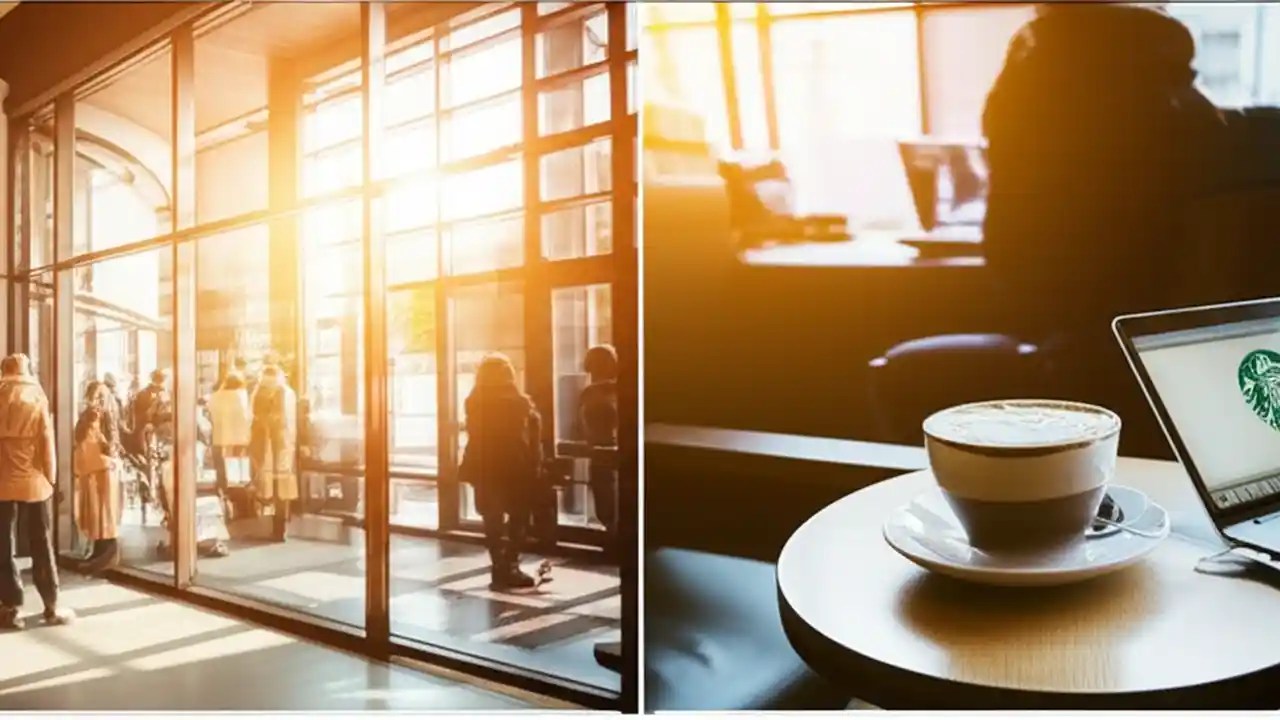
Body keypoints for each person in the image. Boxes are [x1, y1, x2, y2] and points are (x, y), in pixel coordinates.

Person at [981, 2, 1230, 457]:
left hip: (1096, 387)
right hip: (1214, 384)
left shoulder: (1042, 121)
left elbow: (1013, 269)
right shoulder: (1203, 123)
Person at [0, 353, 73, 629]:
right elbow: (46, 439)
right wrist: (51, 478)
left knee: (2, 543)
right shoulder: (37, 396)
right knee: (41, 540)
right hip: (33, 479)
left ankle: (10, 606)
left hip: (2, 478)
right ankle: (50, 604)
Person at [460, 353, 544, 590]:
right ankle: (512, 564)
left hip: (483, 467)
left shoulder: (474, 403)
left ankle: (498, 566)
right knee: (519, 516)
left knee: (492, 519)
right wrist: (536, 466)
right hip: (516, 466)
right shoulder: (521, 403)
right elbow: (532, 438)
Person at [72, 398, 121, 575]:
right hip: (98, 478)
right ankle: (102, 554)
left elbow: (87, 456)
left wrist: (110, 461)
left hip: (99, 478)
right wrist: (112, 462)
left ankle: (102, 554)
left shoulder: (90, 428)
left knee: (102, 518)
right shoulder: (91, 429)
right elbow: (90, 455)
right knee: (101, 518)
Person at [249, 365, 297, 542]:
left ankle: (274, 526)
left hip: (266, 446)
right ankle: (280, 527)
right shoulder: (286, 392)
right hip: (283, 445)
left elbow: (256, 418)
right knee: (282, 487)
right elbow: (288, 420)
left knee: (270, 487)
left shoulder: (261, 392)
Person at [579, 345, 619, 536]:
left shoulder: (589, 393)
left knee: (604, 502)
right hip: (615, 451)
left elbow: (582, 426)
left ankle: (611, 536)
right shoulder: (620, 391)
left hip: (597, 453)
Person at [209, 372, 252, 496]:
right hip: (240, 438)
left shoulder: (215, 397)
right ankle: (238, 492)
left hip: (220, 436)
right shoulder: (242, 396)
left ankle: (223, 489)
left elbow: (211, 414)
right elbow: (247, 417)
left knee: (221, 465)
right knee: (239, 467)